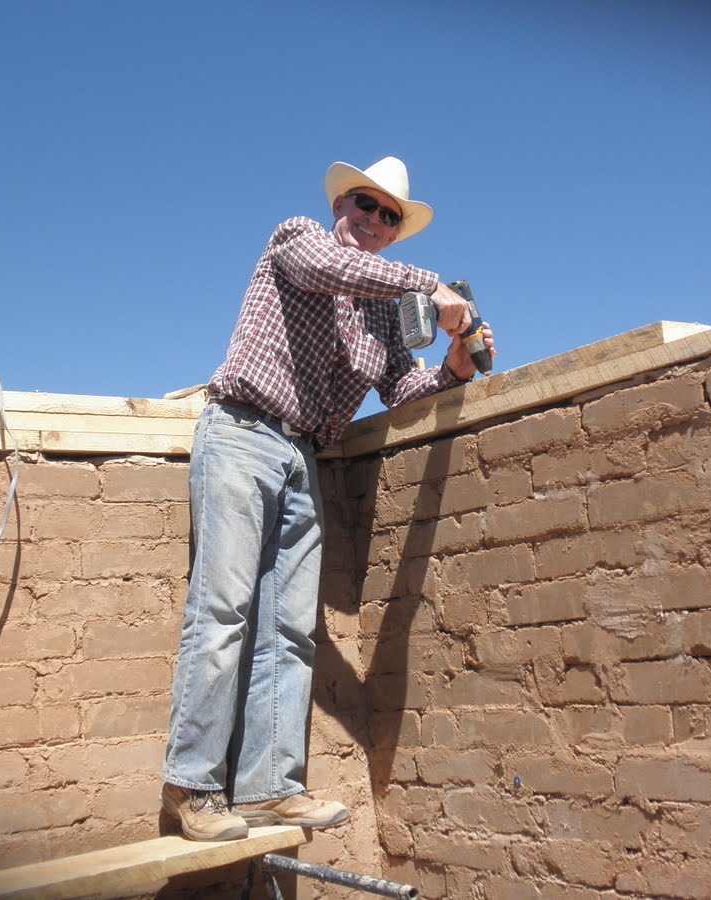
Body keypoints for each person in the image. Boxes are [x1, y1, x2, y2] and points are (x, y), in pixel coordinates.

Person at [160, 157, 495, 841]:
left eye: (388, 216)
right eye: (365, 206)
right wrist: (433, 287)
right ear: (341, 204)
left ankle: (269, 787)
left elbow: (403, 389)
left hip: (301, 457)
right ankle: (191, 786)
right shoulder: (298, 239)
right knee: (223, 611)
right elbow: (335, 270)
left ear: (396, 232)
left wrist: (457, 362)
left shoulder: (388, 311)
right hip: (242, 433)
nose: (373, 221)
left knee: (289, 629)